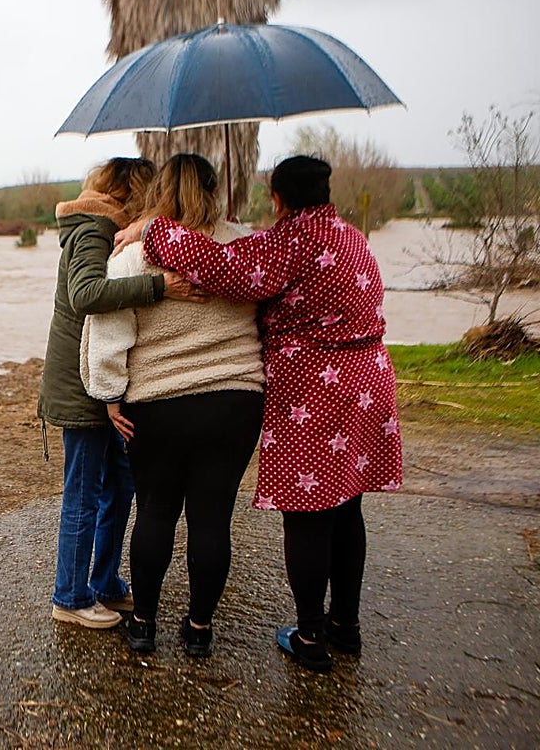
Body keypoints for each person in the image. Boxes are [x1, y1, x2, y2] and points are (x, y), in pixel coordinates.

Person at [135, 154, 403, 672]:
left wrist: (155, 230)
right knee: (347, 506)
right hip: (370, 377)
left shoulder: (291, 241)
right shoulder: (352, 235)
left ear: (277, 197)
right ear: (325, 191)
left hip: (316, 387)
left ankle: (308, 636)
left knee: (307, 513)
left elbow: (227, 270)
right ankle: (344, 625)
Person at [81, 153, 265, 657]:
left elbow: (109, 335)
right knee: (212, 519)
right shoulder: (247, 247)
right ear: (214, 191)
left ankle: (142, 625)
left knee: (156, 514)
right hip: (235, 401)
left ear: (158, 193)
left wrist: (110, 396)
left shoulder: (133, 256)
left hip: (158, 404)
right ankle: (200, 629)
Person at [37, 156, 203, 629]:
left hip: (100, 381)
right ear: (132, 191)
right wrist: (159, 286)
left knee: (120, 486)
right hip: (81, 384)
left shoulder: (106, 228)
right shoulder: (93, 228)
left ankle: (106, 582)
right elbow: (84, 295)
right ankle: (69, 597)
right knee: (85, 493)